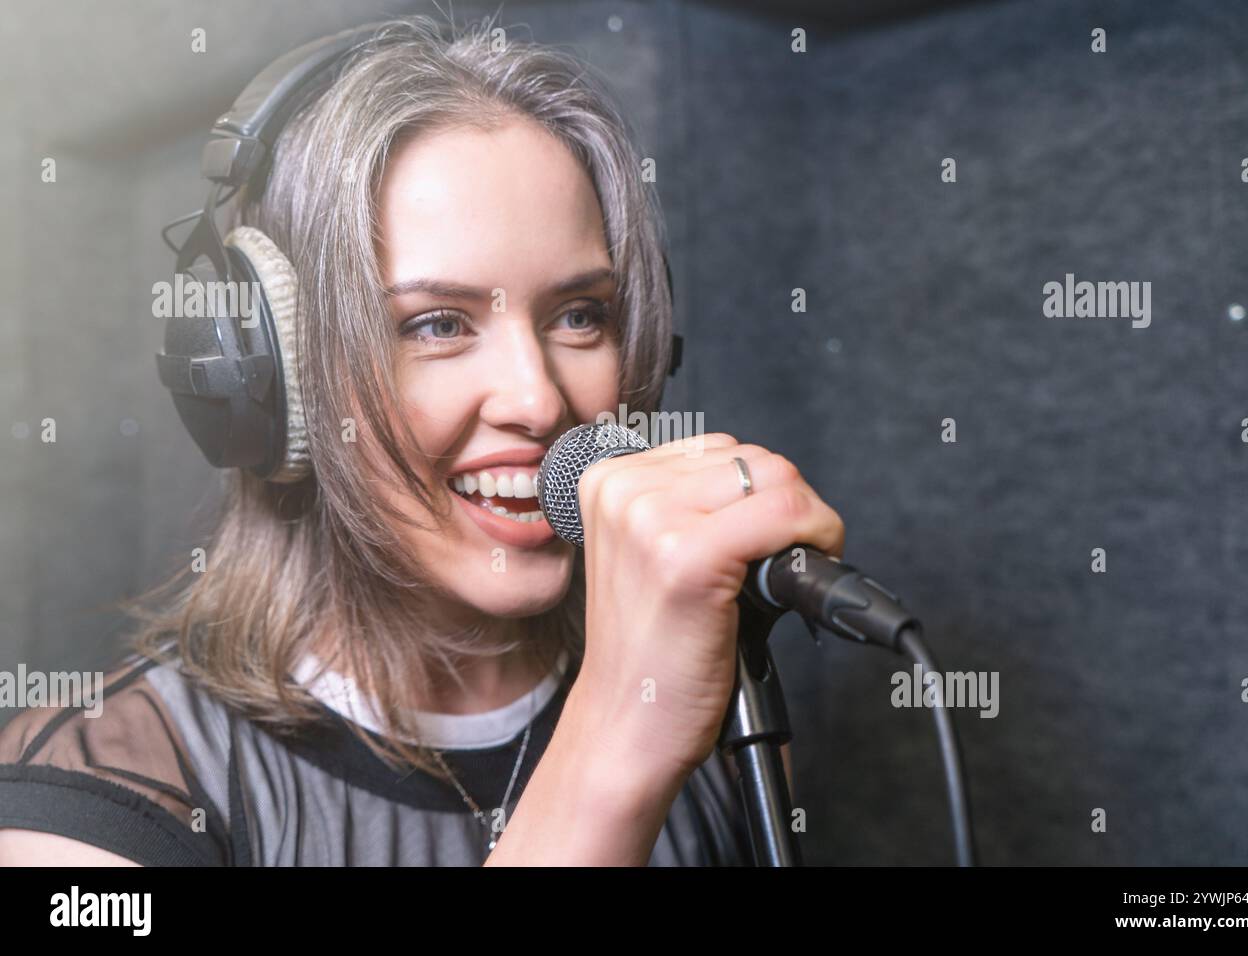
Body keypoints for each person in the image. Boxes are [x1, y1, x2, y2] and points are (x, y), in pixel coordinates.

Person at [0, 13, 843, 866]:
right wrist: (619, 742)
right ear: (274, 373)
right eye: (438, 324)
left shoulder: (711, 715)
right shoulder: (97, 802)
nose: (537, 398)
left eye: (580, 315)